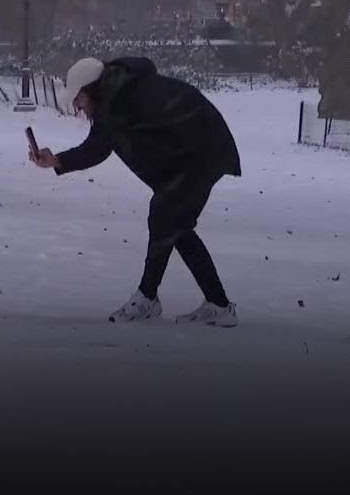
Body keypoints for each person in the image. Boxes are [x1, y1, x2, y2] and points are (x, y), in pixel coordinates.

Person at [29, 57, 241, 327]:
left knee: (165, 216)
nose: (78, 107)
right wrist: (57, 161)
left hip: (201, 153)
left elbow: (96, 149)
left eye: (78, 99)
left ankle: (148, 298)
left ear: (91, 89)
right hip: (197, 151)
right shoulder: (121, 89)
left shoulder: (117, 101)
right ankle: (218, 305)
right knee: (175, 225)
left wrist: (56, 161)